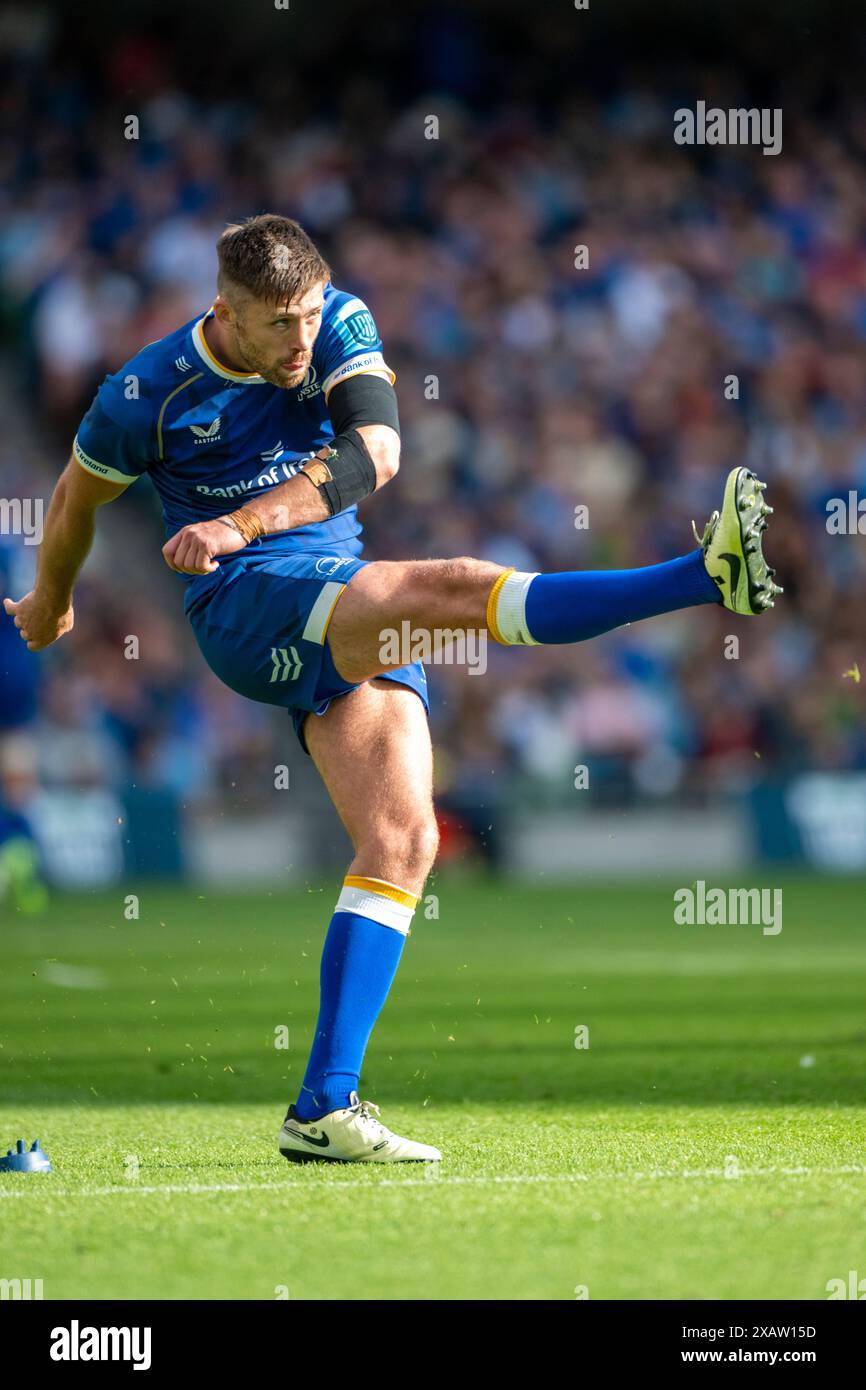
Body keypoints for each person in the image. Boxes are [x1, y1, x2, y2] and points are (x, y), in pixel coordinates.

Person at [2, 215, 781, 1163]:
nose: (300, 339)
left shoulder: (338, 324)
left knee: (404, 839)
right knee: (452, 586)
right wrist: (50, 596)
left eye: (308, 315)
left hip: (339, 598)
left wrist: (242, 519)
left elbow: (376, 453)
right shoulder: (146, 392)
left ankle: (323, 1107)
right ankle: (703, 578)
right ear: (225, 312)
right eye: (277, 323)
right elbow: (79, 496)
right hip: (244, 609)